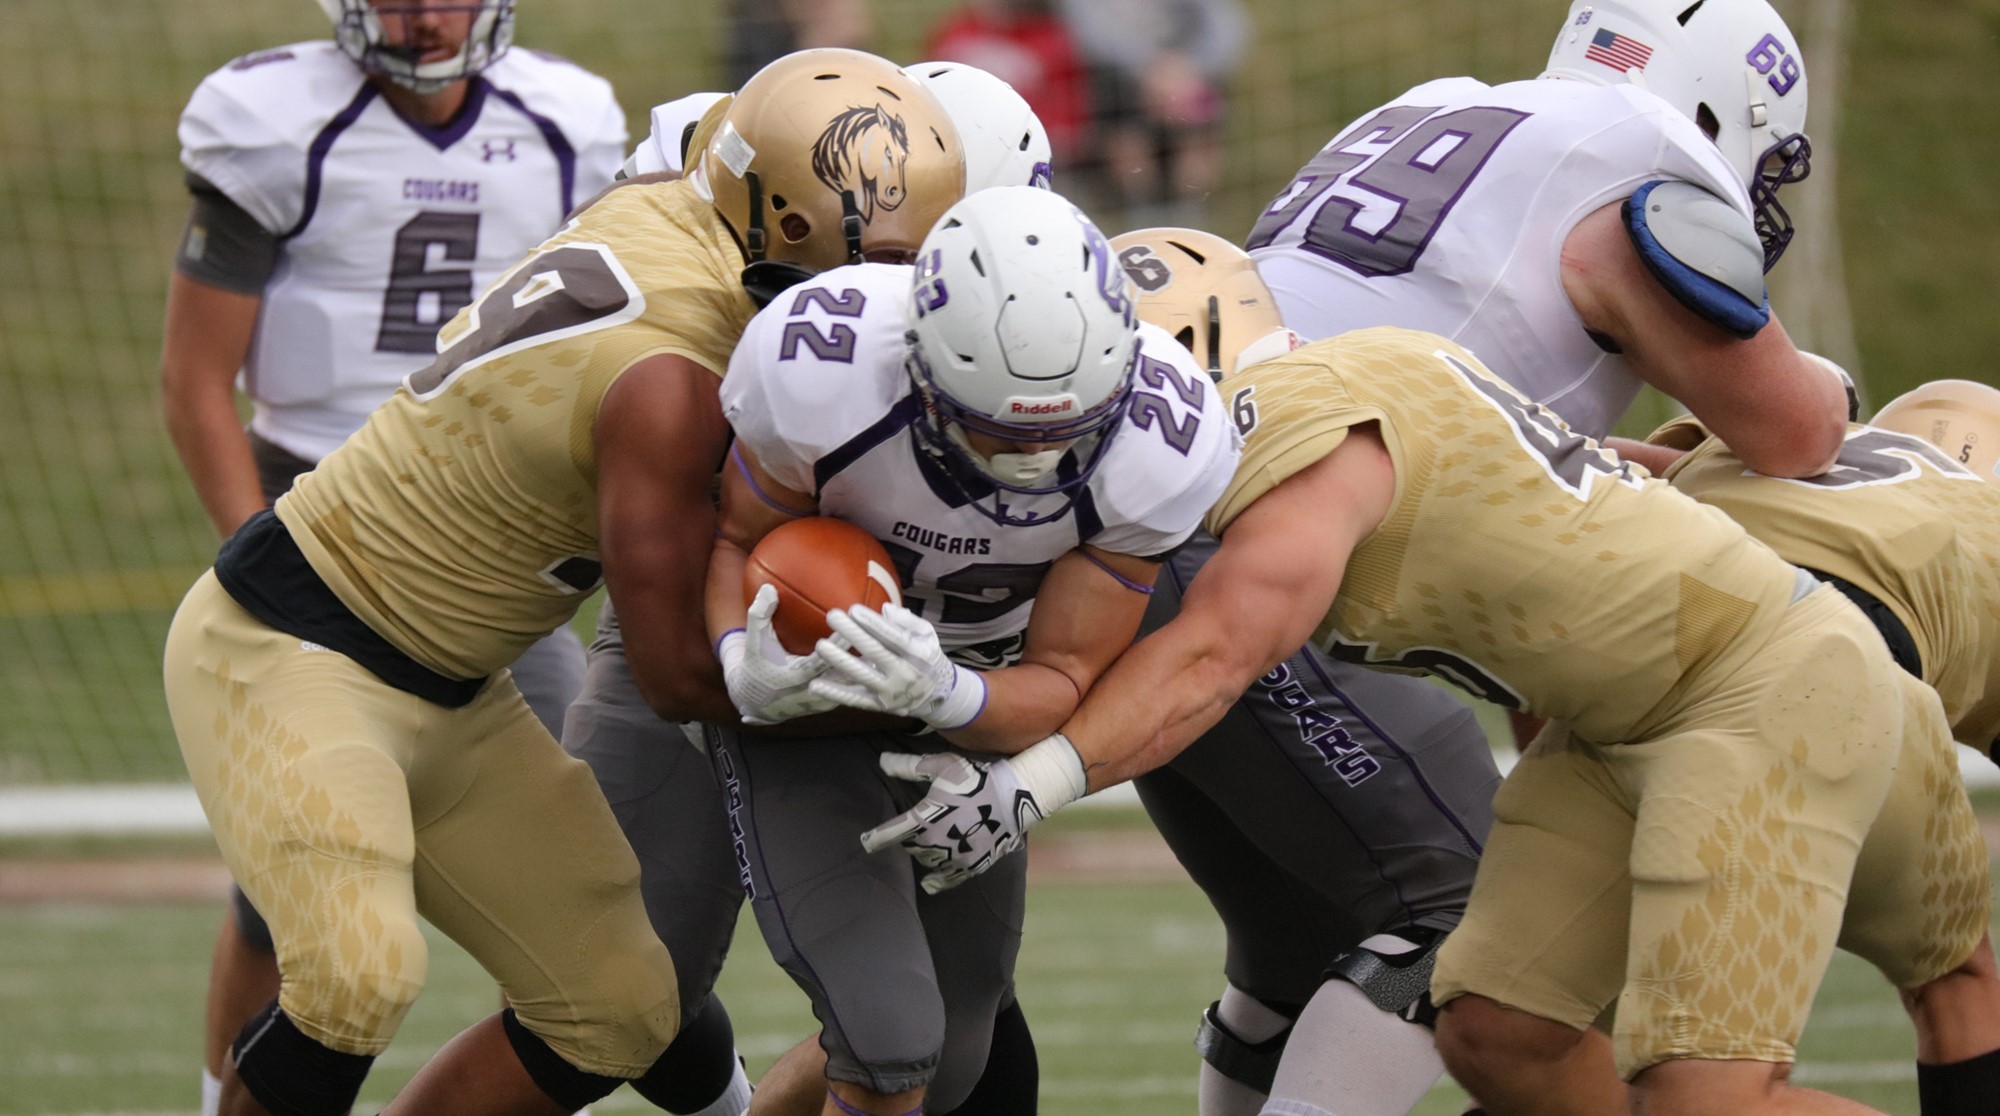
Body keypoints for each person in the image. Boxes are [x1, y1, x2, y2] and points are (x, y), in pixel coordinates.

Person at [855, 326, 1997, 1115]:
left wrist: (1035, 785)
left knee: (1703, 1099)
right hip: (1618, 724)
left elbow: (1216, 654)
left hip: (1754, 693)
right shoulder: (1331, 386)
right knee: (1496, 1034)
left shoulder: (1304, 455)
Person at [161, 47, 965, 1116]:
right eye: (883, 264)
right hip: (291, 646)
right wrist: (919, 701)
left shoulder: (671, 202)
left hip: (456, 689)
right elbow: (677, 677)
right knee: (358, 975)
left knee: (622, 1007)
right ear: (787, 225)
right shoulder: (672, 381)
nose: (893, 299)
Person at [556, 63, 1056, 1116]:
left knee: (939, 1040)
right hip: (716, 608)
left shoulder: (1047, 333)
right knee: (614, 998)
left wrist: (1026, 755)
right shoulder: (726, 184)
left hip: (921, 659)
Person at [158, 2, 622, 1110]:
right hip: (312, 512)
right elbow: (193, 381)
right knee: (282, 895)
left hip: (485, 536)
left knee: (582, 872)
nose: (424, 18)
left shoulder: (566, 123)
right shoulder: (278, 120)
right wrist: (266, 562)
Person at [700, 185, 1234, 1115]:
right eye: (997, 429)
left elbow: (1064, 675)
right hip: (808, 699)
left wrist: (949, 694)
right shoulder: (820, 371)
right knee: (887, 1035)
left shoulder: (1161, 446)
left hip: (973, 710)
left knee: (954, 1049)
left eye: (1064, 432)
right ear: (919, 367)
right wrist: (738, 661)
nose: (1031, 463)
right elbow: (735, 546)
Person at [1109, 226, 1500, 1116]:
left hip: (1151, 602)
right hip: (1209, 595)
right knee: (1474, 916)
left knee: (1292, 946)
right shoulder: (1316, 405)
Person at [1246, 0, 1844, 475]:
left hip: (1221, 415)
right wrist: (1828, 386)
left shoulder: (1429, 105)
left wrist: (1664, 471)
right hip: (1314, 464)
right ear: (1717, 111)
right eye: (1766, 163)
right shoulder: (1647, 160)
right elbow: (1800, 438)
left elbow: (1508, 434)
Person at [1057, 0, 1247, 227]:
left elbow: (1227, 27)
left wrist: (1188, 67)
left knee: (1198, 135)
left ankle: (1189, 217)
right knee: (1125, 132)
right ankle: (1142, 217)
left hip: (1188, 75)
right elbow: (1087, 29)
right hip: (1122, 76)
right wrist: (1148, 68)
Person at [924, 0, 1090, 166]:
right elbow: (927, 93)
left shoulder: (1051, 40)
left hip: (1028, 155)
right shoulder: (956, 32)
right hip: (957, 147)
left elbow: (1066, 126)